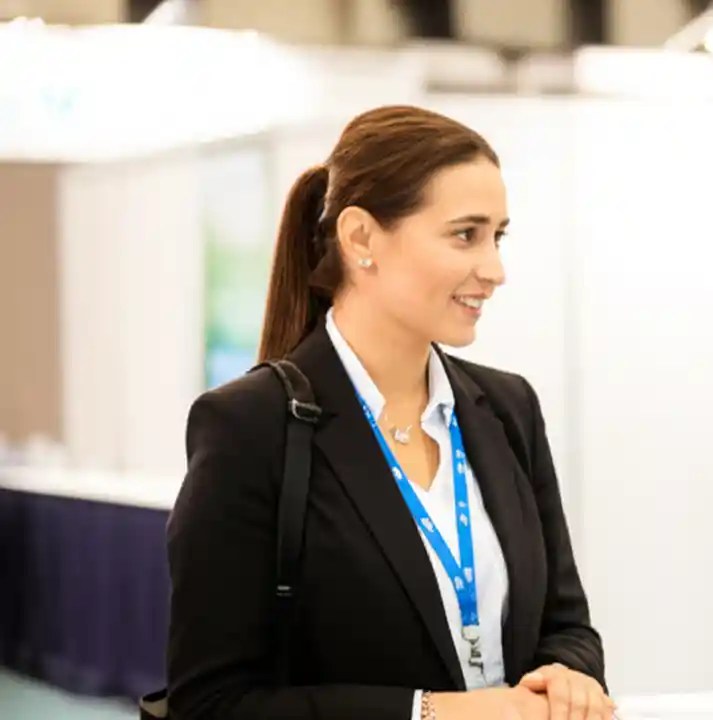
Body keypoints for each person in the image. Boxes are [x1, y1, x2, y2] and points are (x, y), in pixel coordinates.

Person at [166, 105, 611, 720]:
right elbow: (212, 703)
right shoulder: (251, 427)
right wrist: (435, 713)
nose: (495, 269)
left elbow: (567, 626)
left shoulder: (508, 410)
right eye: (465, 234)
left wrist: (568, 676)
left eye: (497, 236)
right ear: (361, 239)